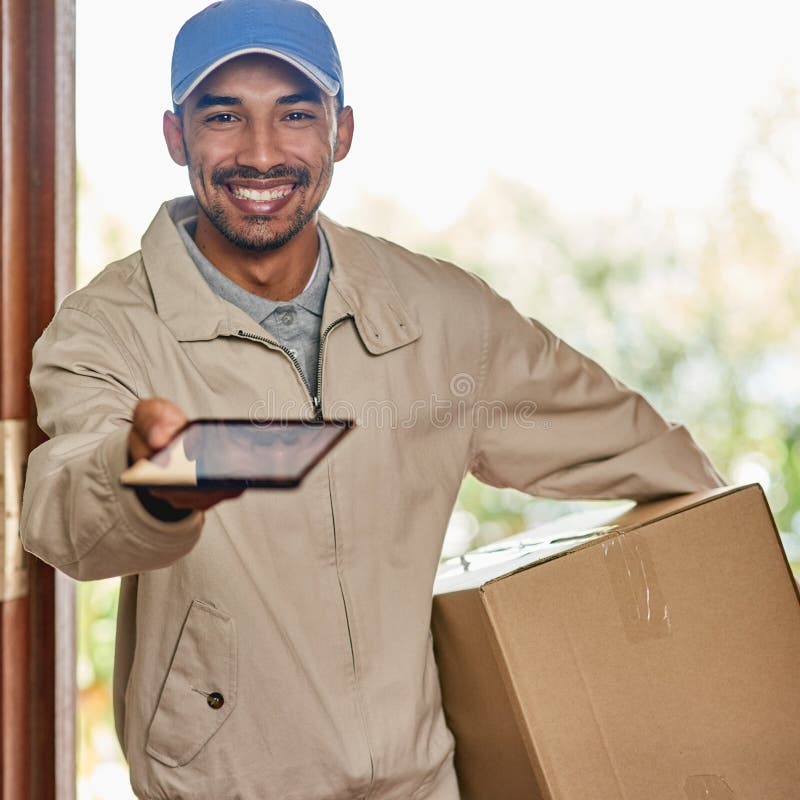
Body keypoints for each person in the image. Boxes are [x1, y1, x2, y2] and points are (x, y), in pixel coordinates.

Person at [20, 1, 725, 798]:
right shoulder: (106, 329)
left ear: (341, 132)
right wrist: (147, 480)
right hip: (225, 785)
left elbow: (645, 452)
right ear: (176, 136)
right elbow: (63, 510)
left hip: (419, 781)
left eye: (294, 114)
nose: (260, 152)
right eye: (223, 116)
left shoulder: (442, 316)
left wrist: (722, 582)